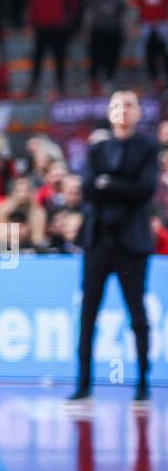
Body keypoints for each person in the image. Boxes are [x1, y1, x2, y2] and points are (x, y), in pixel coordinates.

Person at [73, 90, 157, 403]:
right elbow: (87, 189)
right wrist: (118, 186)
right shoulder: (97, 148)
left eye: (130, 105)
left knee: (137, 314)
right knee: (88, 314)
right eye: (117, 105)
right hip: (98, 240)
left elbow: (145, 190)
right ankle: (83, 384)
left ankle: (143, 382)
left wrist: (108, 184)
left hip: (131, 243)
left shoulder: (146, 147)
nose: (123, 111)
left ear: (138, 113)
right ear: (109, 112)